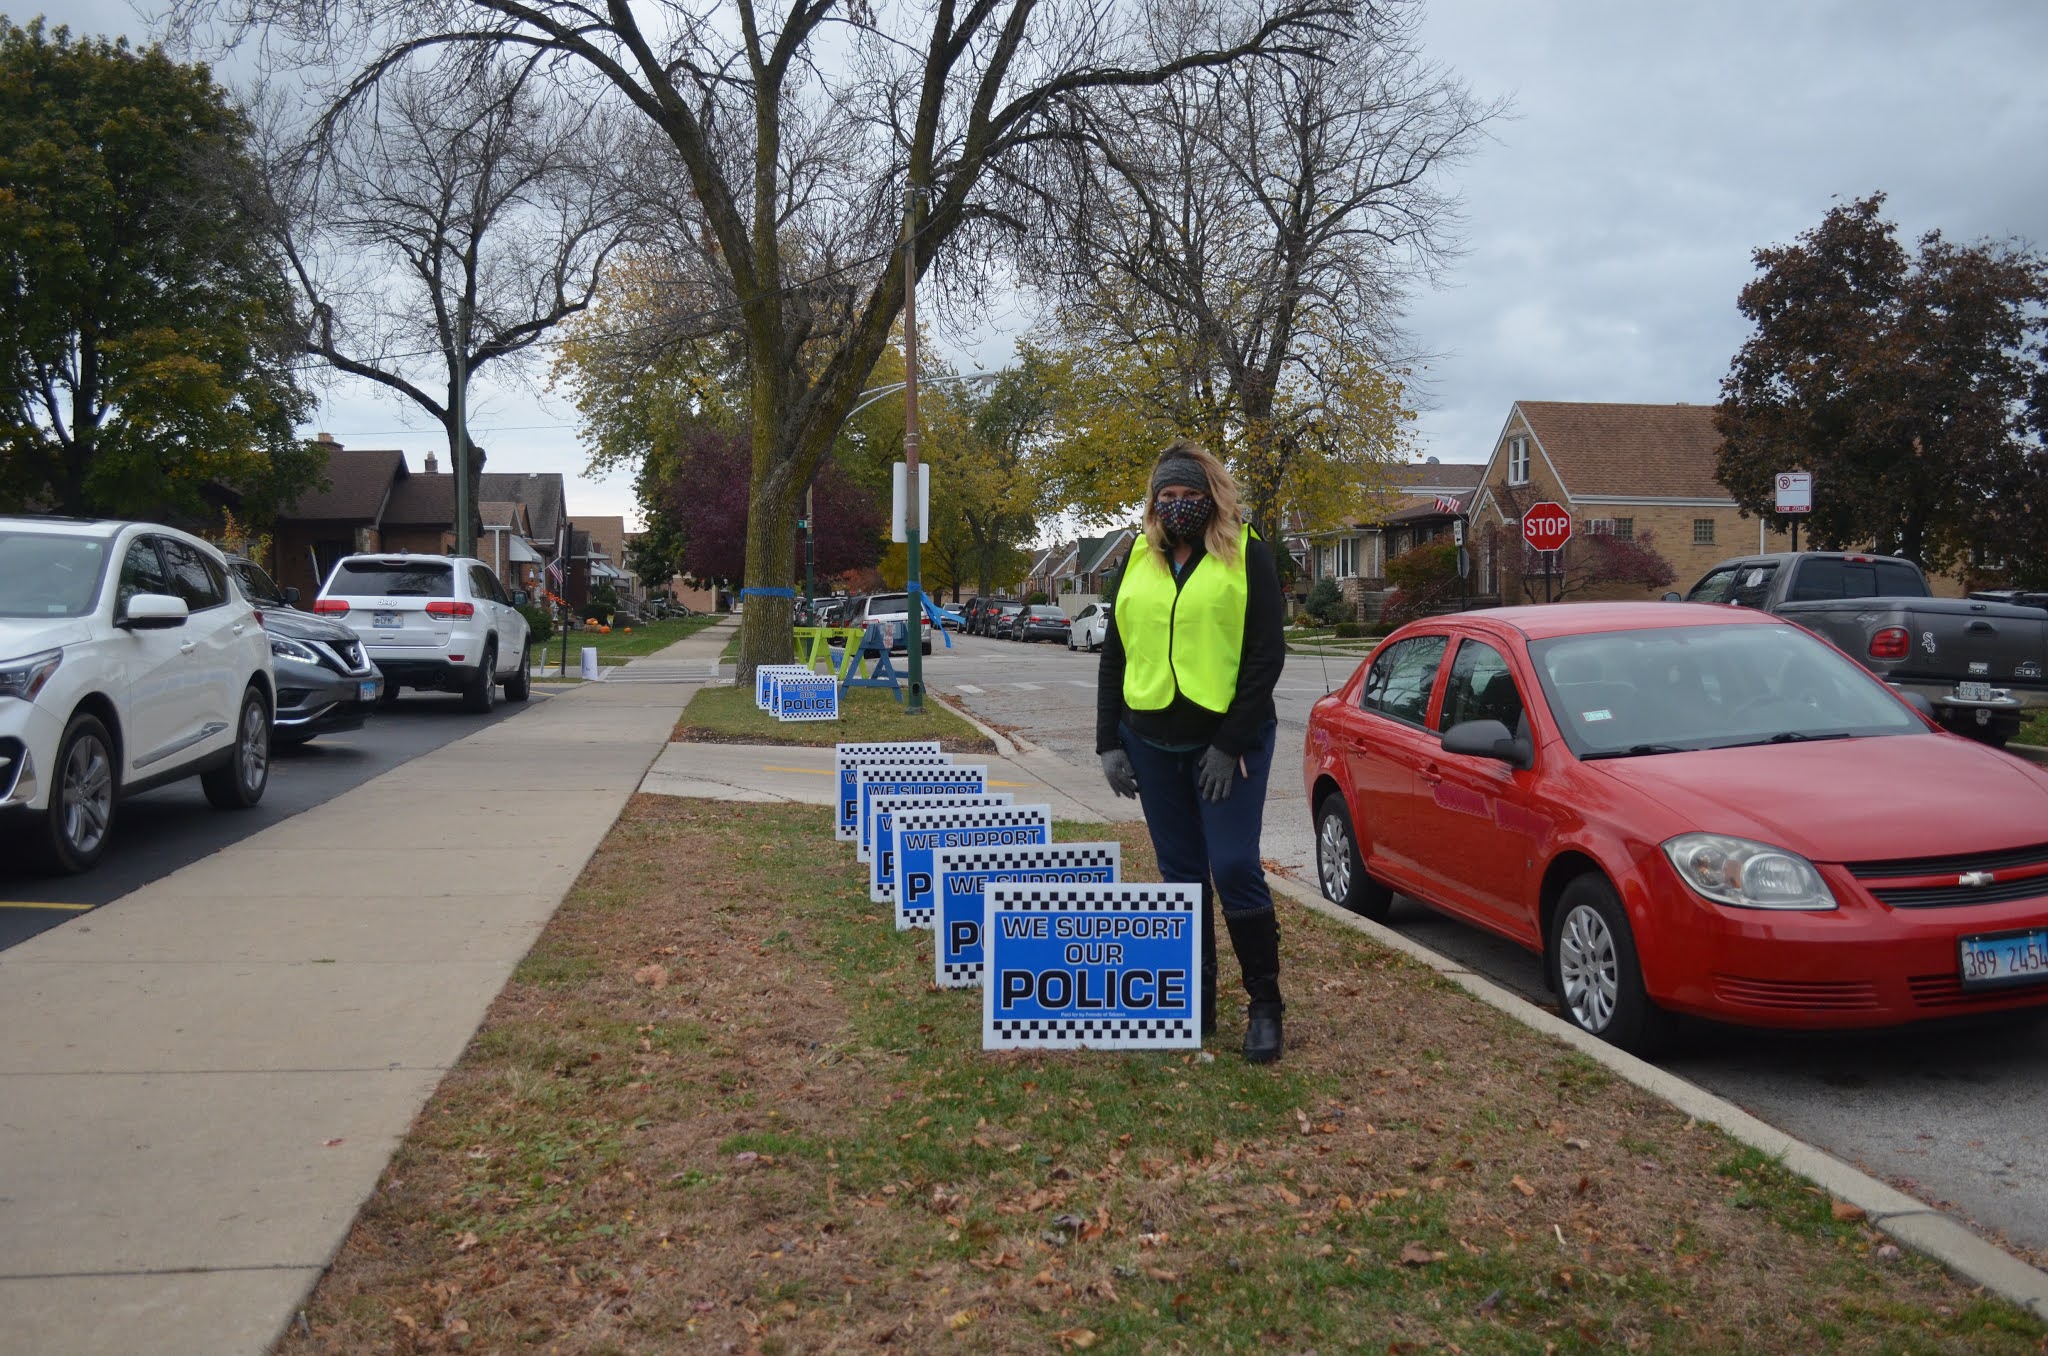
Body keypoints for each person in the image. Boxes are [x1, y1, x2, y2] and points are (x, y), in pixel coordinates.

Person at [1096, 441, 1288, 1063]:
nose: (1178, 506)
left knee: (1232, 867)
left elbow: (1265, 656)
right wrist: (1108, 743)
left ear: (1213, 497)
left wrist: (1229, 741)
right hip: (1150, 742)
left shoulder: (1247, 554)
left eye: (1189, 495)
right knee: (1180, 878)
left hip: (1229, 746)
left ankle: (1264, 1006)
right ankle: (1193, 1002)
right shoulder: (1136, 558)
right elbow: (1116, 654)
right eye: (1166, 496)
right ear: (1154, 503)